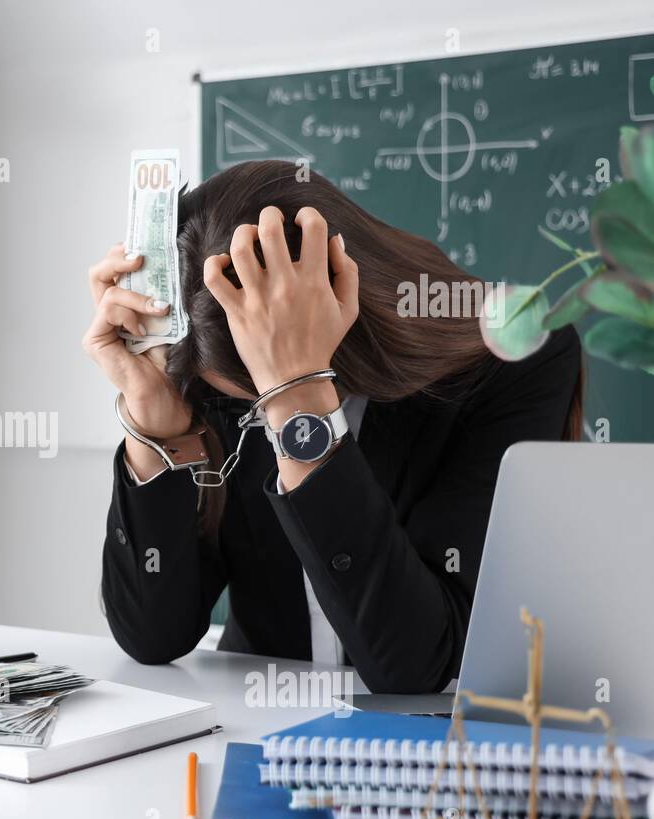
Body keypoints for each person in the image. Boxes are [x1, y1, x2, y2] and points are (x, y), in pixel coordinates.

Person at [84, 160, 581, 693]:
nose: (252, 412)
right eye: (252, 401)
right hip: (254, 716)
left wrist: (298, 398)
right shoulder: (212, 372)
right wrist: (153, 419)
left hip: (445, 743)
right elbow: (153, 636)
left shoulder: (515, 357)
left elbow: (417, 666)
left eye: (258, 397)